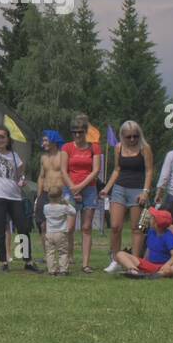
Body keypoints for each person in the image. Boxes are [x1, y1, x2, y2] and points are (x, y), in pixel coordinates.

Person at [0, 128, 42, 272]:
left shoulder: (14, 155)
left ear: (8, 140)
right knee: (0, 229)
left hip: (14, 197)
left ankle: (27, 261)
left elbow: (19, 173)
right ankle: (4, 262)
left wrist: (22, 180)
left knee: (23, 227)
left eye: (3, 137)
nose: (0, 140)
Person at [100, 120, 153, 272]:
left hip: (138, 190)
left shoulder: (145, 148)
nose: (132, 140)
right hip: (119, 189)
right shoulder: (118, 147)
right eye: (128, 136)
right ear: (122, 136)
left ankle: (135, 263)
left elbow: (149, 171)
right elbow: (117, 169)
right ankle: (116, 260)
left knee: (137, 228)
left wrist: (145, 192)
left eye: (135, 136)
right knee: (115, 226)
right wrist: (107, 188)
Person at [61, 113, 102, 273]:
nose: (77, 135)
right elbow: (64, 170)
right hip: (70, 188)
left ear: (86, 132)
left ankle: (85, 263)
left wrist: (81, 186)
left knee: (86, 227)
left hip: (89, 189)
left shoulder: (94, 147)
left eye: (80, 131)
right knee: (69, 227)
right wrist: (73, 187)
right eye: (74, 132)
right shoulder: (67, 147)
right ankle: (69, 255)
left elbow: (96, 170)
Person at [114, 208, 173, 279]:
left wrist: (167, 265)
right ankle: (134, 271)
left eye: (152, 218)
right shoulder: (151, 232)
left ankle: (159, 275)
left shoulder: (169, 236)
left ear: (156, 224)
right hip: (150, 264)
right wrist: (143, 261)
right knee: (120, 254)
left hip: (163, 267)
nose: (150, 219)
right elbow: (149, 249)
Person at [40, 185, 77, 276]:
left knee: (50, 252)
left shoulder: (46, 207)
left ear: (49, 196)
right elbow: (73, 212)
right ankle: (63, 269)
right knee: (63, 252)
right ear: (61, 196)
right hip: (61, 233)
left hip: (49, 233)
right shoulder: (63, 207)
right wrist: (66, 203)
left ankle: (51, 270)